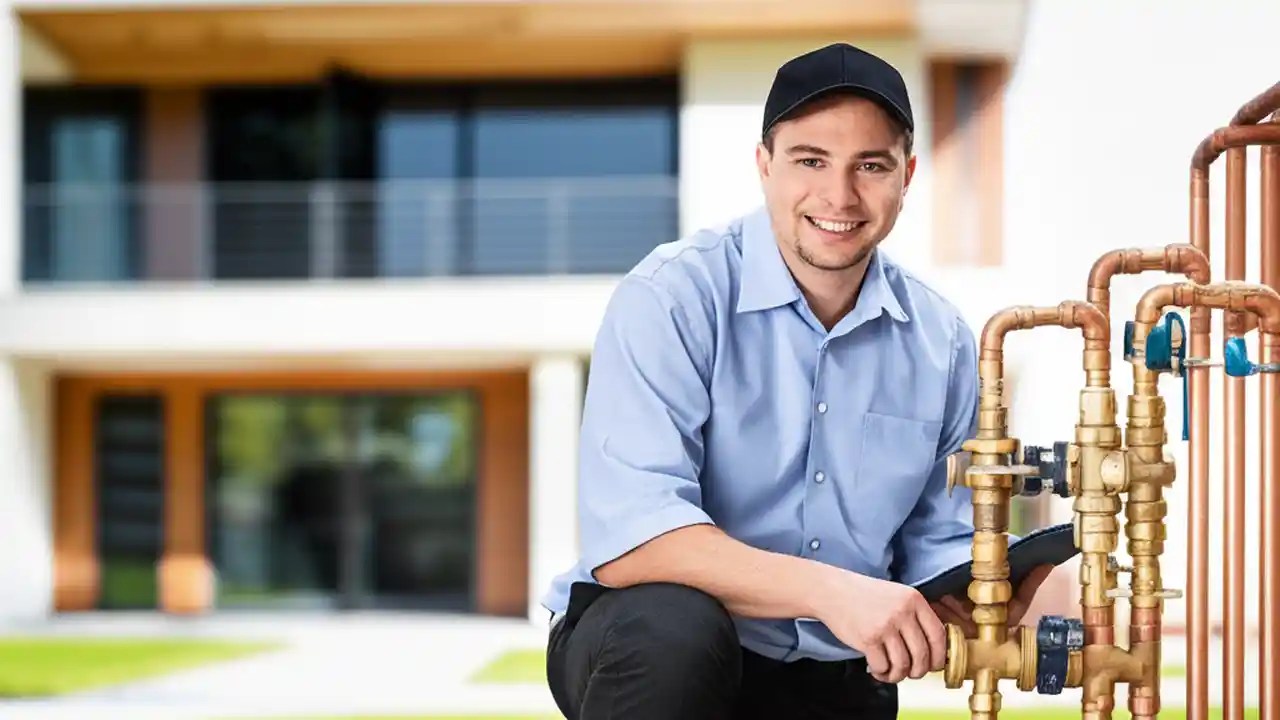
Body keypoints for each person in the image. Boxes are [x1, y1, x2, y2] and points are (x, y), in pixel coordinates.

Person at [540, 42, 1054, 719]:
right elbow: (634, 538)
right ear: (764, 166)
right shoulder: (672, 297)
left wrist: (1013, 582)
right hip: (651, 643)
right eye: (810, 161)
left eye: (870, 166)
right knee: (676, 629)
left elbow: (938, 542)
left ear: (908, 176)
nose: (838, 196)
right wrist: (832, 591)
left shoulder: (946, 344)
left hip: (834, 663)